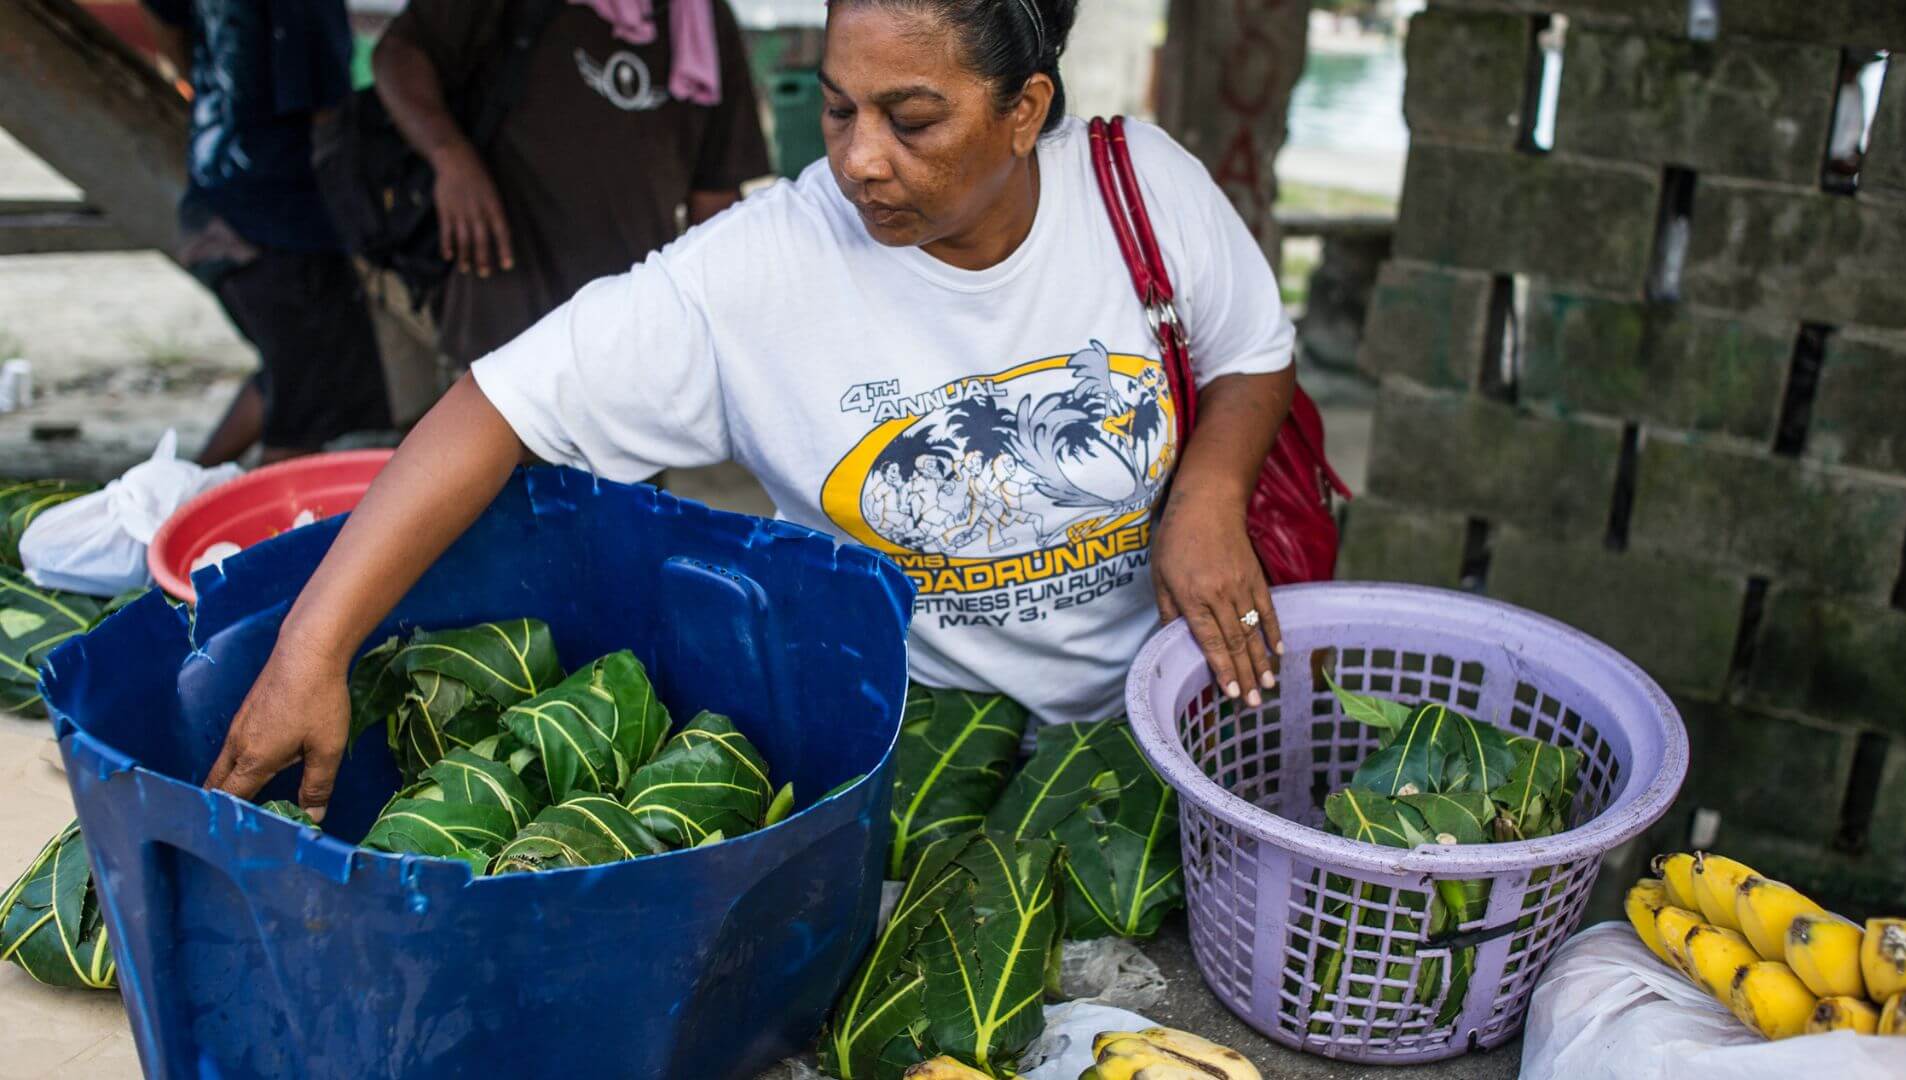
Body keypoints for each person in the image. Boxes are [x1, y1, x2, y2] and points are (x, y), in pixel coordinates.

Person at [205, 0, 1299, 823]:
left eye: (912, 120)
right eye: (837, 108)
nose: (861, 159)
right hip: (911, 736)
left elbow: (1253, 350)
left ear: (1026, 113)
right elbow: (496, 404)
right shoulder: (762, 268)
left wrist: (1207, 494)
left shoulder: (1138, 189)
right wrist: (315, 643)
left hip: (1162, 716)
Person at [371, 0, 773, 367]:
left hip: (632, 343)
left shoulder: (704, 20)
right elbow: (398, 53)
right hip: (503, 335)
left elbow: (715, 203)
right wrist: (450, 157)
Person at [143, 0, 393, 466]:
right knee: (306, 417)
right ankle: (250, 526)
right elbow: (327, 113)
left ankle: (183, 492)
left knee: (293, 378)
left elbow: (165, 18)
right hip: (278, 220)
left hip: (215, 199)